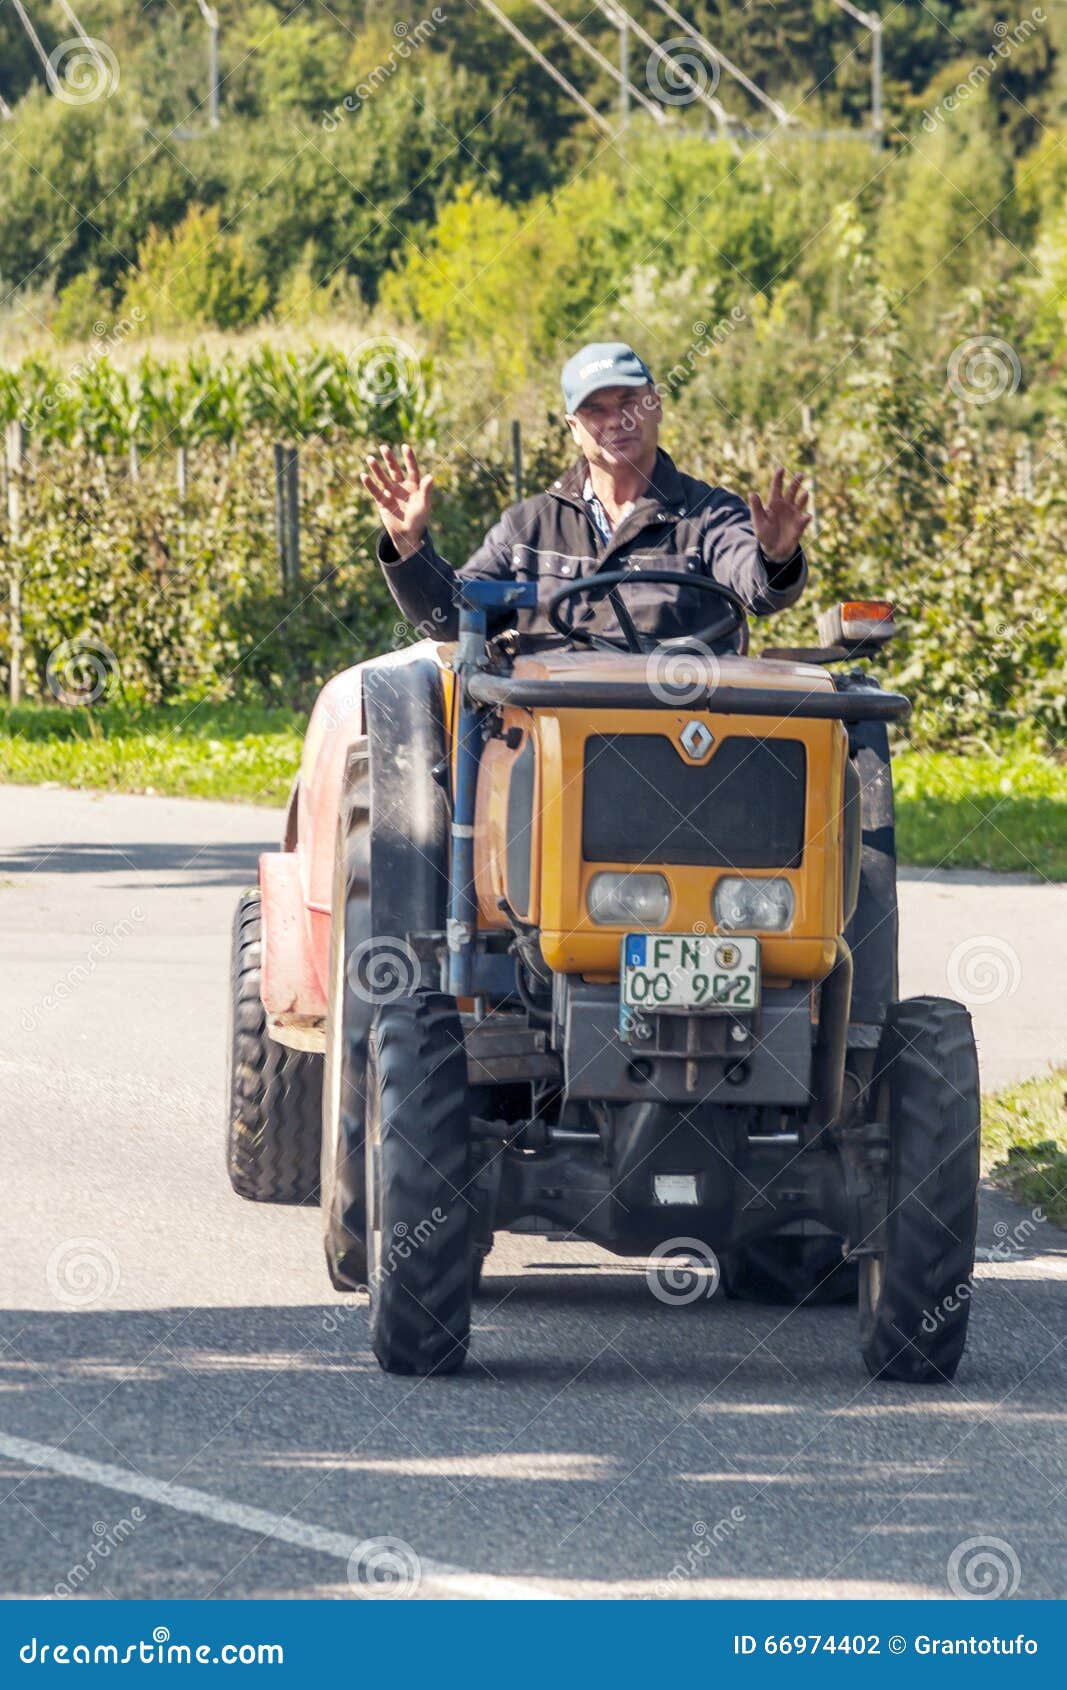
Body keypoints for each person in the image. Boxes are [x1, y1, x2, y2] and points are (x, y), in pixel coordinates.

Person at [361, 340, 810, 648]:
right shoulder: (527, 527)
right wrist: (408, 544)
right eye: (595, 410)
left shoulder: (710, 516)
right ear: (574, 429)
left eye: (628, 402)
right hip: (550, 745)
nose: (615, 421)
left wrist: (775, 558)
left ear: (655, 405)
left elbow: (760, 590)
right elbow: (450, 615)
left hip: (686, 741)